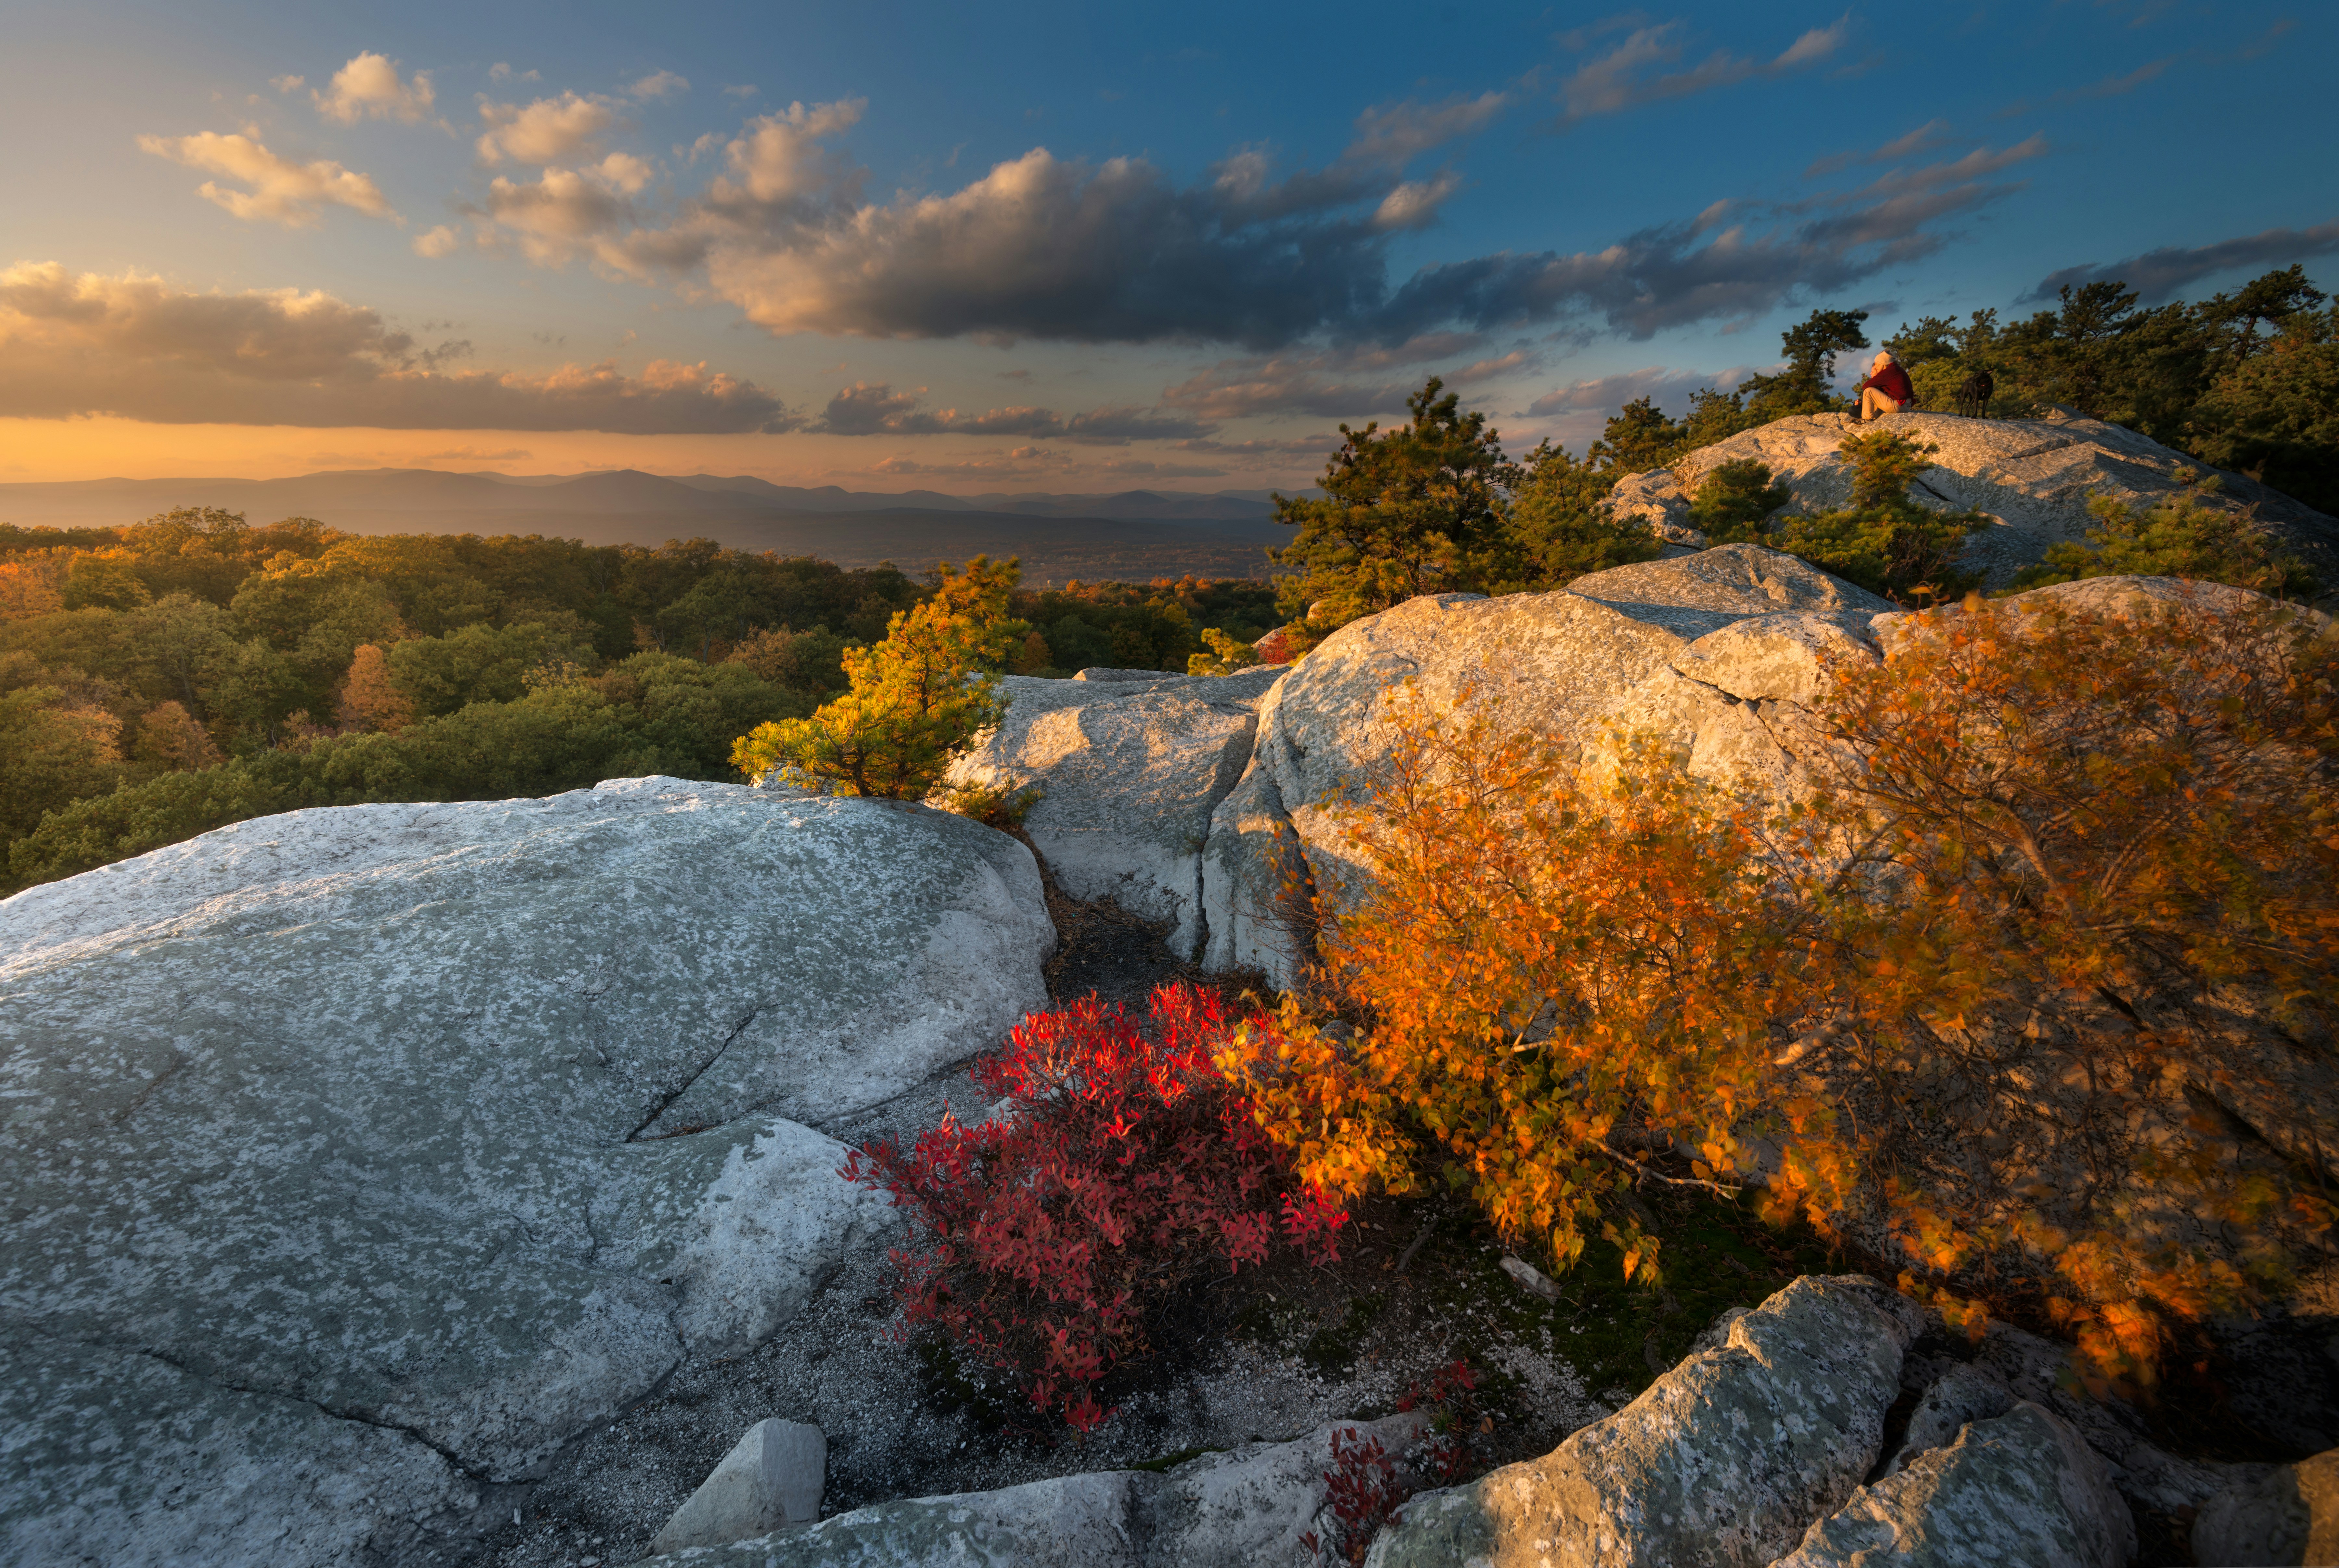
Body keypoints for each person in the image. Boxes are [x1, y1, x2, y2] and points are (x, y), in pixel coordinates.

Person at [1855, 350, 1913, 421]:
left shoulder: (1889, 372)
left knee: (1869, 391)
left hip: (1899, 406)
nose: (1876, 367)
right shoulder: (1896, 369)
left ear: (1883, 364)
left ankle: (1867, 418)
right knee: (1879, 391)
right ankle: (1874, 417)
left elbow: (1866, 386)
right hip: (1904, 405)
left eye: (1877, 364)